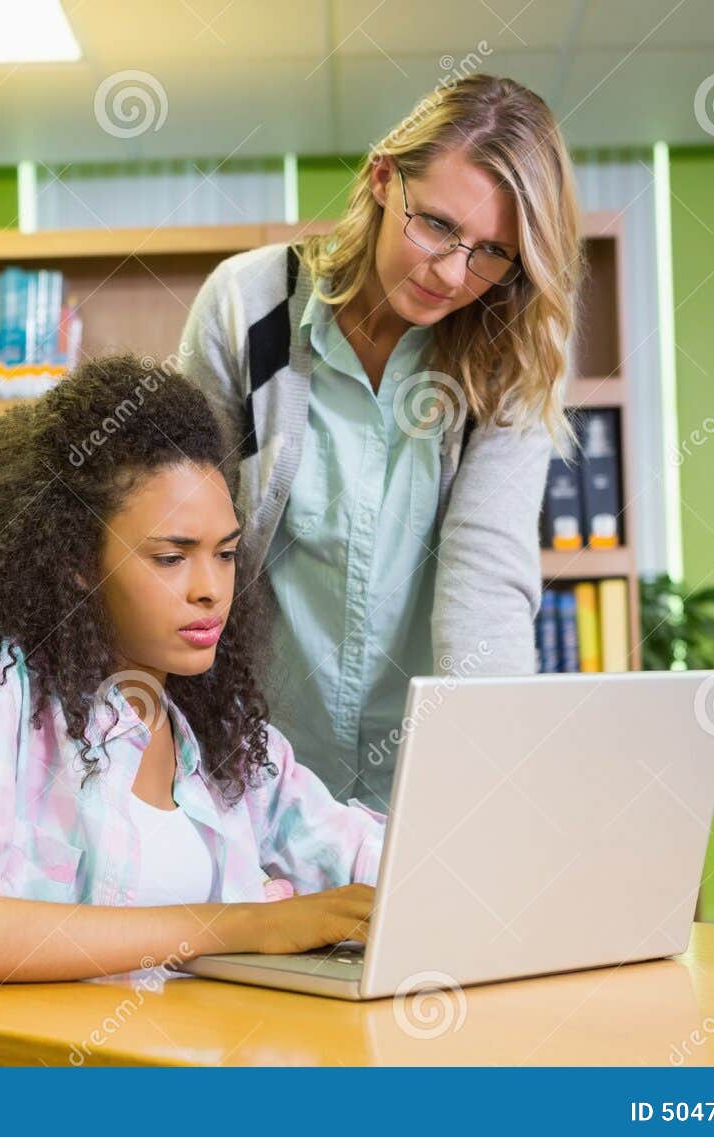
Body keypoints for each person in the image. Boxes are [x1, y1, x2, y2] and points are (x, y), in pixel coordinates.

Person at [0, 355, 383, 985]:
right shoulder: (0, 683)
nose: (210, 590)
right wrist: (242, 924)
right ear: (78, 561)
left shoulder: (218, 722)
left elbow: (353, 849)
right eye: (171, 558)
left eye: (224, 554)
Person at [179, 74, 584, 810]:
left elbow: (486, 581)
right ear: (381, 178)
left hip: (427, 782)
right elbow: (182, 543)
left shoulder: (514, 352)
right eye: (435, 225)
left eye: (494, 252)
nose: (455, 274)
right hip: (253, 777)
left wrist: (489, 795)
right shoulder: (248, 308)